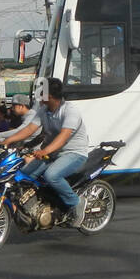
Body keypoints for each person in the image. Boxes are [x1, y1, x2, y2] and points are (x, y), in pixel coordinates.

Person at [21, 79, 90, 226]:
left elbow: (63, 136)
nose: (39, 96)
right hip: (53, 153)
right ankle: (43, 206)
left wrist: (44, 150)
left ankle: (76, 202)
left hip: (74, 153)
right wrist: (6, 141)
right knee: (25, 175)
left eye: (42, 92)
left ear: (50, 96)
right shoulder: (44, 110)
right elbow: (28, 130)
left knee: (51, 175)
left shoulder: (70, 111)